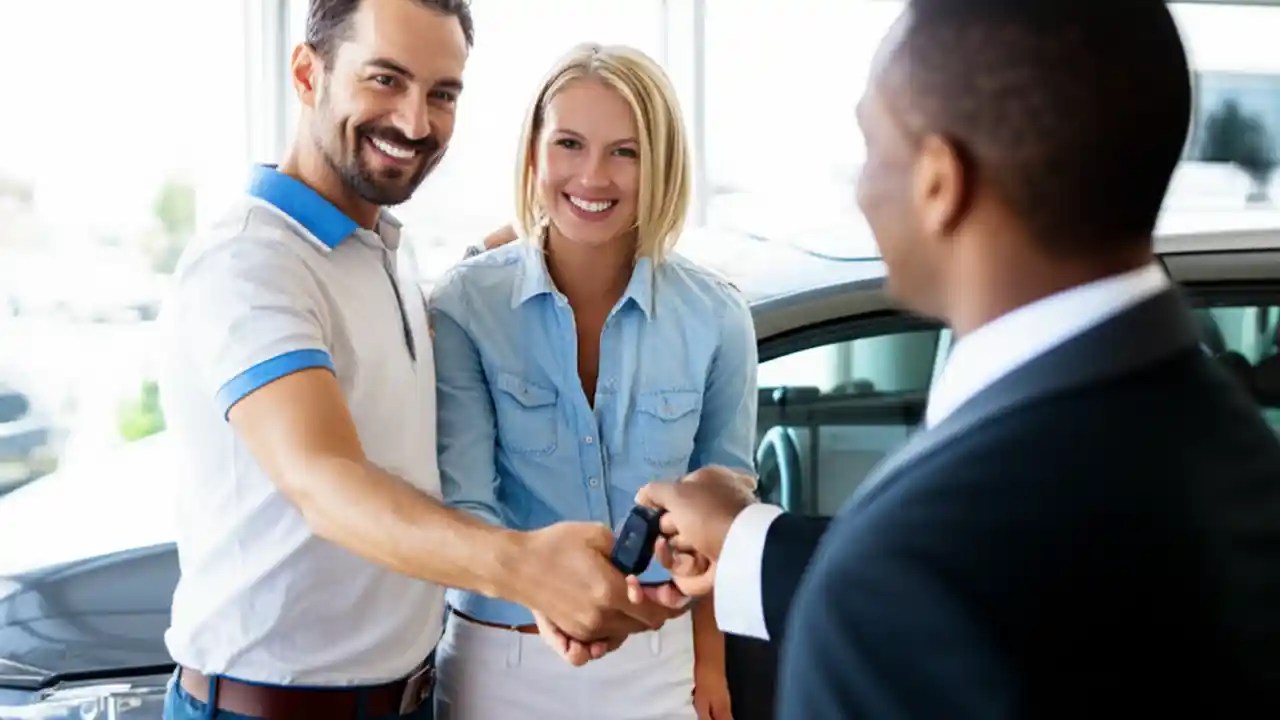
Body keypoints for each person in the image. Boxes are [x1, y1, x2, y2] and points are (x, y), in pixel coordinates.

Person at [638, 1, 1280, 718]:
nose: (862, 187)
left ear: (940, 183)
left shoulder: (910, 569)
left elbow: (952, 586)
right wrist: (753, 542)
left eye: (874, 145)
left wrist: (852, 578)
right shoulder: (1240, 458)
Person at [157, 2, 666, 719]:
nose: (415, 121)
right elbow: (325, 481)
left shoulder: (381, 251)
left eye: (442, 94)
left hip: (410, 697)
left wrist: (509, 265)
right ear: (308, 74)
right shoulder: (251, 262)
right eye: (385, 80)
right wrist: (526, 569)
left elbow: (381, 382)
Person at [429, 43, 755, 720]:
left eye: (625, 152)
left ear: (660, 162)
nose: (593, 176)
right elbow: (466, 506)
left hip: (656, 667)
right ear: (534, 153)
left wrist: (710, 665)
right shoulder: (466, 306)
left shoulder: (717, 317)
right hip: (502, 661)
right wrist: (552, 597)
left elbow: (721, 511)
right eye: (570, 144)